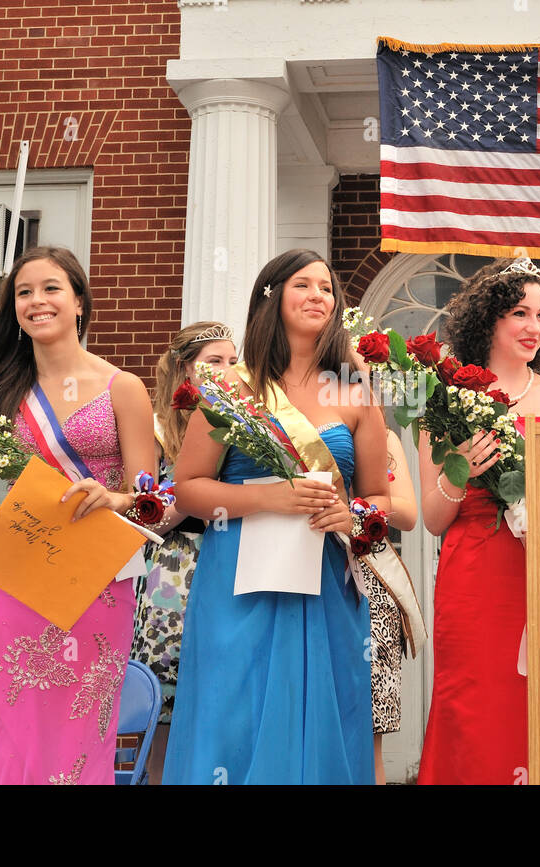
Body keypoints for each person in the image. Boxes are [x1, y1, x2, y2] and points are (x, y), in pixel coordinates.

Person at [0, 245, 156, 785]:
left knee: (81, 728)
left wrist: (117, 499)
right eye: (23, 292)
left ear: (79, 301)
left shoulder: (123, 387)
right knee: (8, 724)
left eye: (51, 288)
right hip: (16, 577)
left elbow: (152, 500)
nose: (37, 301)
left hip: (98, 581)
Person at [162, 248, 387, 784]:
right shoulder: (230, 390)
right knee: (233, 710)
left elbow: (379, 496)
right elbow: (188, 489)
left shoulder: (355, 393)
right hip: (239, 577)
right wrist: (271, 499)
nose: (317, 296)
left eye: (327, 288)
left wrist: (351, 516)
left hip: (327, 579)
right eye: (302, 285)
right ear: (272, 296)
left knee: (324, 713)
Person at [418, 256, 540, 785]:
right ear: (488, 319)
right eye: (520, 313)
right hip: (473, 577)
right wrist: (460, 470)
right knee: (474, 706)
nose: (534, 326)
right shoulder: (445, 403)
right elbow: (432, 519)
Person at [132, 320, 237, 784]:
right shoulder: (155, 431)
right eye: (214, 361)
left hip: (229, 559)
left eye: (233, 362)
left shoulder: (241, 426)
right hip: (173, 571)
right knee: (165, 708)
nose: (226, 370)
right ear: (184, 369)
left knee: (223, 699)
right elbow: (138, 518)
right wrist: (188, 493)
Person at [368, 427, 421, 785]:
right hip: (301, 581)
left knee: (368, 736)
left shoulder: (383, 435)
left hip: (370, 587)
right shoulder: (282, 422)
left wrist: (358, 504)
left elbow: (408, 514)